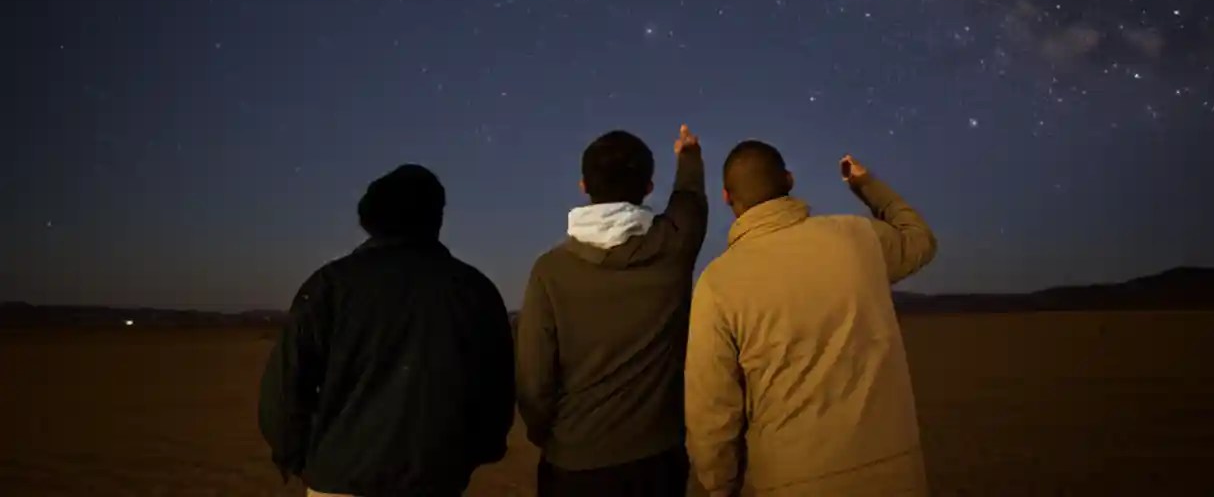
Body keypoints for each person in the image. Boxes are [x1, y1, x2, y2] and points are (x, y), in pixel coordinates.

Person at [685, 141, 938, 496]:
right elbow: (919, 239)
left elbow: (711, 410)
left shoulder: (717, 283)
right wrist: (866, 185)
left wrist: (720, 485)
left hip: (790, 479)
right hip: (895, 473)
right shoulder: (859, 238)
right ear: (788, 180)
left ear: (727, 197)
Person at [258, 164, 514, 497]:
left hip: (341, 478)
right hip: (435, 480)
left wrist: (299, 459)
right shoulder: (475, 291)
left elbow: (286, 388)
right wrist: (469, 457)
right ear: (436, 219)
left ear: (370, 219)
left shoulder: (330, 286)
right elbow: (496, 394)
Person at [516, 125, 709, 497]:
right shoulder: (673, 247)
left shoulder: (550, 270)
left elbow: (534, 378)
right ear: (649, 187)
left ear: (583, 186)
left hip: (573, 464)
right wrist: (689, 157)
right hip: (656, 458)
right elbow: (690, 200)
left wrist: (549, 435)